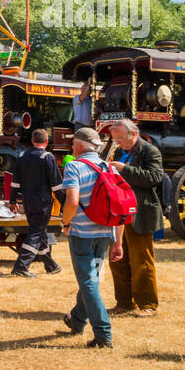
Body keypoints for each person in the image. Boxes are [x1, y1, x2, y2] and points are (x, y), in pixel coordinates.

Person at [60, 127, 123, 349]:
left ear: (78, 145)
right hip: (105, 233)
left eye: (73, 143)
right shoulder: (109, 168)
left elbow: (73, 201)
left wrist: (66, 223)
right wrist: (118, 240)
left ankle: (103, 335)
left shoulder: (74, 167)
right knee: (92, 279)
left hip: (82, 234)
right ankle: (77, 320)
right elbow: (119, 207)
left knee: (88, 282)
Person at [108, 118, 163, 317]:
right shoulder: (118, 151)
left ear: (133, 134)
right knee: (117, 260)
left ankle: (148, 305)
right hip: (119, 213)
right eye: (115, 139)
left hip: (140, 214)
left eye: (120, 138)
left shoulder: (150, 151)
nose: (118, 142)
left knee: (142, 262)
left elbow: (154, 178)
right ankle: (124, 303)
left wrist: (124, 169)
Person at [9, 128, 64, 278]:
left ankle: (50, 265)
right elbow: (57, 186)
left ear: (32, 141)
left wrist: (12, 200)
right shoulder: (48, 157)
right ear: (46, 142)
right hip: (43, 203)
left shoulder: (21, 156)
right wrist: (65, 205)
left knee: (40, 233)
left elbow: (15, 183)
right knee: (36, 233)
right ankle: (21, 267)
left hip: (27, 202)